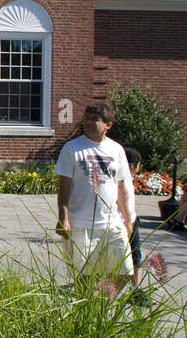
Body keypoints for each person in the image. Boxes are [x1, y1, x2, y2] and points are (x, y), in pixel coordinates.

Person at [55, 103, 133, 291]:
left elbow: (121, 186)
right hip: (81, 225)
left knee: (125, 271)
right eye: (87, 118)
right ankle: (88, 311)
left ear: (108, 125)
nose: (88, 123)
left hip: (112, 223)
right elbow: (64, 186)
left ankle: (105, 302)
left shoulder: (116, 149)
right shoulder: (71, 148)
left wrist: (128, 219)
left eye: (95, 119)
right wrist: (63, 217)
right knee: (83, 276)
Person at [120, 145, 144, 291]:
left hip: (128, 221)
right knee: (135, 256)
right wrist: (129, 220)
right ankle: (135, 289)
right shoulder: (123, 180)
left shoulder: (122, 177)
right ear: (134, 165)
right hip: (126, 223)